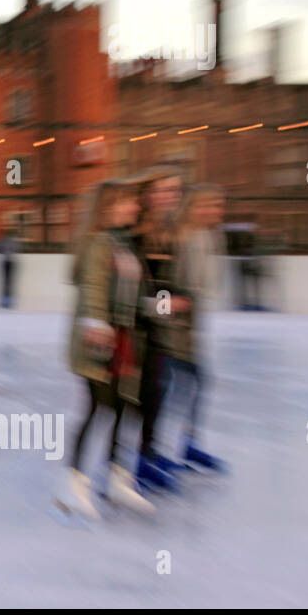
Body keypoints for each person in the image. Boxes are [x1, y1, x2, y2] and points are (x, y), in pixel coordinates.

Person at [63, 180, 154, 518]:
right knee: (97, 409)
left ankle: (118, 480)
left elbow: (134, 297)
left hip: (125, 340)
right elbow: (93, 288)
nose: (135, 208)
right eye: (127, 202)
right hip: (100, 341)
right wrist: (97, 325)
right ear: (108, 207)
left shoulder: (126, 244)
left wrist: (163, 306)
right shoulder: (99, 243)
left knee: (122, 408)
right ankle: (76, 485)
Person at [131, 166, 191, 493]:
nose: (170, 197)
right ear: (147, 195)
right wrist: (164, 306)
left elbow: (163, 283)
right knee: (141, 393)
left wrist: (170, 303)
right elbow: (131, 291)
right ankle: (136, 460)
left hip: (157, 326)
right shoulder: (136, 234)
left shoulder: (169, 233)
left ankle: (148, 453)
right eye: (163, 190)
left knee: (158, 389)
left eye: (175, 191)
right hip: (135, 326)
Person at [170, 184, 227, 472]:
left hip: (191, 325)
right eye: (207, 205)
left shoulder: (208, 237)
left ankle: (184, 444)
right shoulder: (185, 239)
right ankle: (166, 448)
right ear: (192, 208)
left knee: (191, 385)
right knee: (182, 385)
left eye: (218, 206)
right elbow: (178, 285)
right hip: (176, 327)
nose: (215, 211)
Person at [0, 227, 20, 308]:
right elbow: (17, 249)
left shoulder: (3, 242)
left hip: (5, 262)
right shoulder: (14, 242)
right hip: (12, 262)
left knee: (5, 282)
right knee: (10, 282)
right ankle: (9, 301)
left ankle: (5, 301)